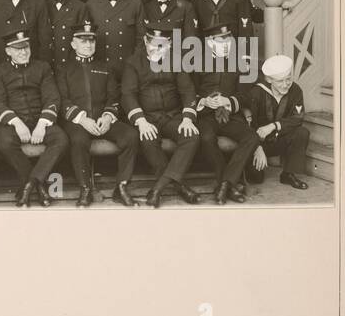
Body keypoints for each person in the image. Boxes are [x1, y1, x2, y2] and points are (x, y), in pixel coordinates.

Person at [56, 19, 138, 207]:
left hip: (103, 119)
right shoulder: (63, 69)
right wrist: (82, 119)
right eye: (83, 41)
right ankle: (85, 188)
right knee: (78, 140)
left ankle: (122, 186)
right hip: (78, 122)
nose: (88, 45)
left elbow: (114, 97)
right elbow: (62, 99)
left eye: (91, 41)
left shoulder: (105, 67)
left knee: (131, 136)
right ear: (73, 44)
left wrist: (108, 117)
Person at [121, 20, 202, 207]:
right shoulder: (133, 62)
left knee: (192, 136)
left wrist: (188, 118)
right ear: (145, 42)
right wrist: (140, 121)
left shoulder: (175, 60)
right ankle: (180, 186)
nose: (157, 49)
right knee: (148, 139)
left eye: (162, 45)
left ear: (169, 45)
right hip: (148, 118)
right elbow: (127, 94)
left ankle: (158, 188)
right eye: (153, 44)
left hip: (173, 116)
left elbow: (188, 90)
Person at [0, 28, 68, 207]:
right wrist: (16, 123)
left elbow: (52, 97)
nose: (24, 52)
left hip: (40, 119)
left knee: (61, 139)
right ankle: (38, 185)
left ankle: (29, 184)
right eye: (18, 49)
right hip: (14, 122)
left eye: (26, 47)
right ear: (8, 51)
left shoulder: (42, 67)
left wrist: (42, 124)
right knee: (5, 144)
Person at [196, 23, 262, 203]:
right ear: (210, 43)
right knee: (207, 138)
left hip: (231, 114)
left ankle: (225, 184)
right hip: (206, 115)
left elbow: (247, 95)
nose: (226, 44)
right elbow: (186, 93)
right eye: (220, 40)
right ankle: (228, 184)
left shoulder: (240, 63)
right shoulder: (196, 62)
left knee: (251, 137)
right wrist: (204, 101)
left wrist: (230, 101)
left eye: (228, 39)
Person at [244, 54, 311, 190]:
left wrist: (274, 126)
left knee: (302, 132)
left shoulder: (295, 90)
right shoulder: (256, 93)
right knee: (255, 179)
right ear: (269, 79)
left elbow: (297, 118)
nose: (286, 84)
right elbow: (248, 125)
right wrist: (256, 147)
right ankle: (247, 167)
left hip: (280, 139)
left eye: (288, 79)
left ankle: (288, 174)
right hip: (259, 142)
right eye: (280, 81)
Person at [85, 0, 144, 68]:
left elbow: (141, 37)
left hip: (128, 65)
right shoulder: (91, 5)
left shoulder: (135, 3)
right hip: (101, 65)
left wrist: (134, 61)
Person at [42, 0, 87, 72]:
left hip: (71, 64)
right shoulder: (43, 6)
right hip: (49, 63)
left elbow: (83, 39)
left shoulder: (80, 7)